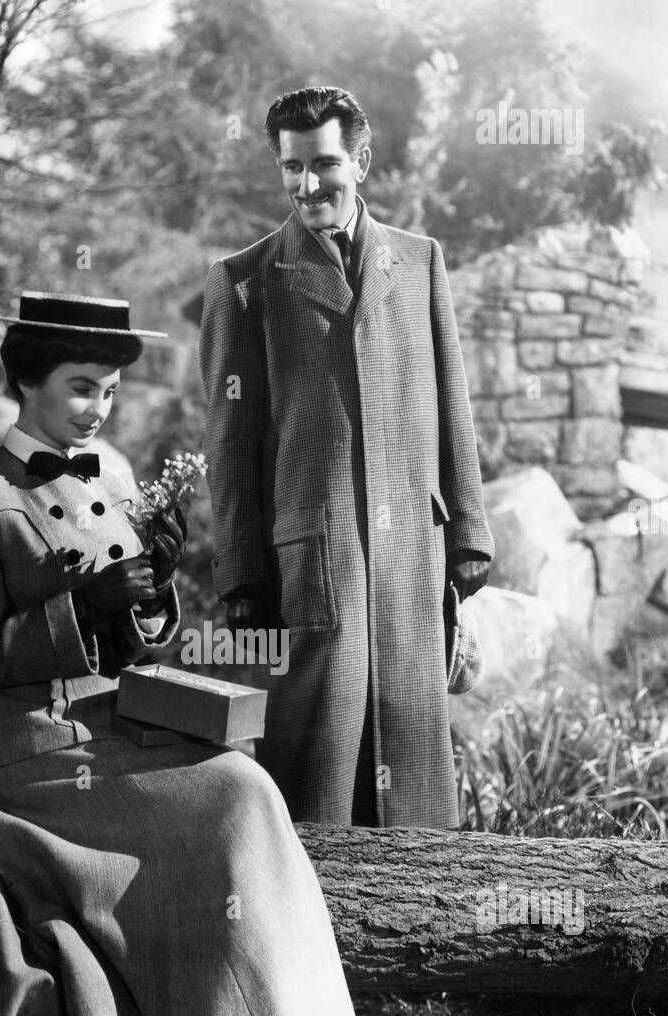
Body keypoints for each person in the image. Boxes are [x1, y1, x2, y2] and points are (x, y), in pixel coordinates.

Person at [0, 291, 396, 1016]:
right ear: (24, 378)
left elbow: (138, 643)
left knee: (242, 792)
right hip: (21, 750)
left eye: (105, 391)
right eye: (77, 388)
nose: (96, 409)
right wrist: (79, 609)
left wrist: (154, 593)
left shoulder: (116, 468)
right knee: (225, 807)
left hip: (108, 724)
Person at [200, 86, 495, 829]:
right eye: (290, 168)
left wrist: (468, 535)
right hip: (312, 555)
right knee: (318, 770)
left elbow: (451, 400)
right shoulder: (243, 283)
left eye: (324, 164)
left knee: (416, 765)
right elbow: (228, 446)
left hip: (411, 560)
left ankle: (427, 921)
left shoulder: (421, 263)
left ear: (361, 161)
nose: (306, 186)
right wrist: (240, 573)